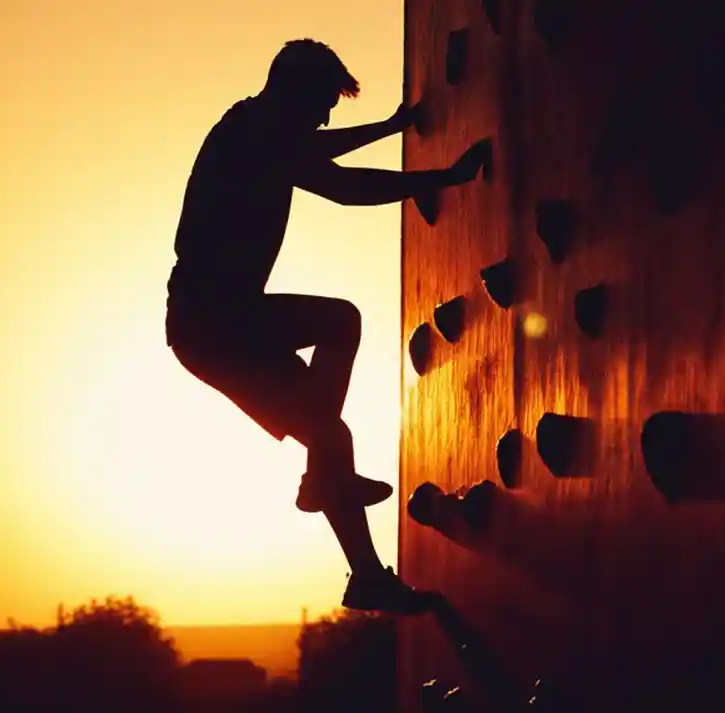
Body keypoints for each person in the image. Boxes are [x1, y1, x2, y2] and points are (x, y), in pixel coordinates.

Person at [165, 38, 489, 614]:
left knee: (330, 436)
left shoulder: (255, 130)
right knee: (340, 326)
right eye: (321, 102)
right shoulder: (258, 136)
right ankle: (324, 480)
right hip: (216, 321)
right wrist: (441, 177)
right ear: (294, 91)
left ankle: (365, 575)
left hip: (216, 320)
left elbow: (315, 150)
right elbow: (340, 183)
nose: (325, 114)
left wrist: (391, 128)